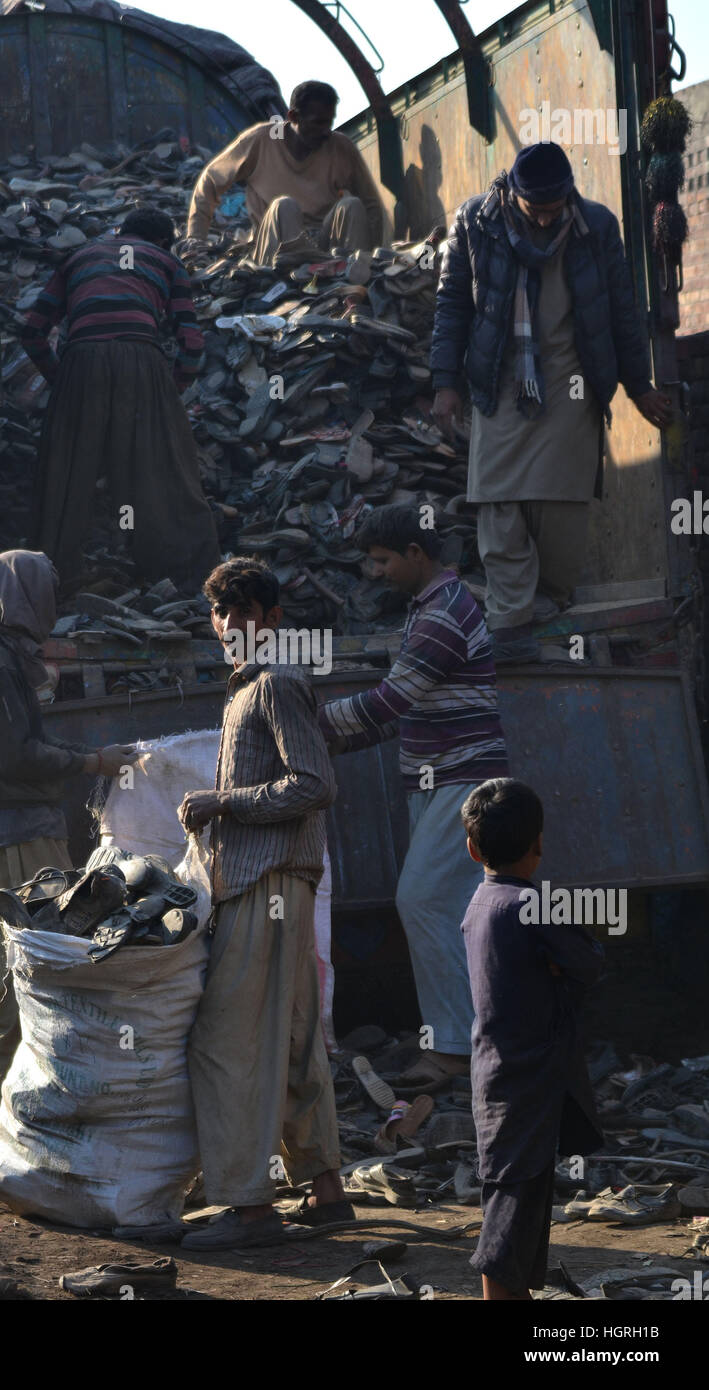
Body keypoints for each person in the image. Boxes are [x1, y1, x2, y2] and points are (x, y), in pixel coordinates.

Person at [431, 142, 674, 662]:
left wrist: (638, 385)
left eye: (553, 209)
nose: (544, 219)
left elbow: (621, 308)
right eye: (535, 208)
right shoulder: (476, 220)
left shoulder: (596, 226)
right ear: (514, 194)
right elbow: (452, 302)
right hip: (499, 378)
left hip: (572, 381)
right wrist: (444, 382)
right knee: (498, 502)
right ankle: (512, 623)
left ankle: (550, 602)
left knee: (561, 505)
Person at [176, 555, 350, 1249]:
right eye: (220, 612)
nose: (229, 625)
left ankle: (250, 1207)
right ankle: (326, 1190)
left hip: (266, 883)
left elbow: (313, 784)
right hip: (274, 883)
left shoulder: (274, 686)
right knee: (294, 1041)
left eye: (244, 611)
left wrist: (221, 803)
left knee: (228, 1044)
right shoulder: (246, 691)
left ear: (273, 620)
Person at [318, 504, 509, 1086]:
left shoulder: (446, 611)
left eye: (382, 560)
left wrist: (307, 721)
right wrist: (328, 745)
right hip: (440, 779)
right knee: (455, 915)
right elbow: (402, 712)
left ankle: (453, 1051)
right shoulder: (429, 608)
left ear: (416, 555)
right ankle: (482, 1044)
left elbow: (390, 700)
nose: (376, 572)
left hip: (464, 781)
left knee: (422, 900)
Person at [0, 550, 133, 1113]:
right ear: (24, 596)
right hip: (19, 838)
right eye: (46, 593)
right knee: (37, 968)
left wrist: (89, 756)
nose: (52, 607)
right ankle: (32, 1108)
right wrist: (93, 763)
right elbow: (19, 757)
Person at [21, 206, 219, 592]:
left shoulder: (77, 258)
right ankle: (185, 579)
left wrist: (64, 381)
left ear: (121, 230)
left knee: (65, 471)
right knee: (165, 467)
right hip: (141, 361)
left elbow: (32, 332)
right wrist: (169, 392)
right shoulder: (167, 262)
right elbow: (191, 342)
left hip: (81, 361)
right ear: (163, 241)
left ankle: (53, 578)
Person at [460, 778, 605, 1299]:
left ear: (473, 848)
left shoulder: (481, 902)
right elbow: (588, 963)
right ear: (539, 844)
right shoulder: (534, 904)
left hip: (498, 1079)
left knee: (517, 1209)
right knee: (510, 1215)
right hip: (529, 1084)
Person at [185, 80, 383, 266]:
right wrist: (196, 237)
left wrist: (375, 252)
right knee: (284, 205)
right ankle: (290, 270)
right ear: (293, 117)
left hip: (323, 246)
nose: (326, 131)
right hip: (274, 251)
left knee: (353, 205)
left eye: (329, 122)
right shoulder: (265, 138)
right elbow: (210, 180)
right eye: (318, 123)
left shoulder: (340, 146)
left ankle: (356, 275)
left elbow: (371, 203)